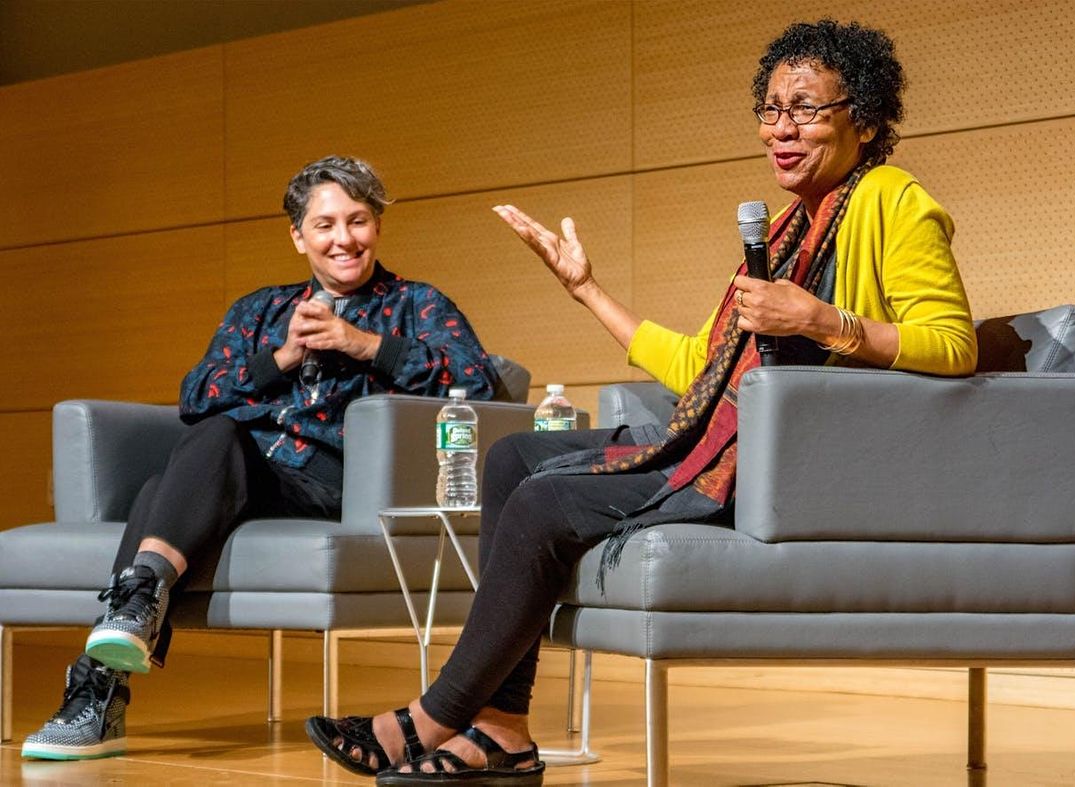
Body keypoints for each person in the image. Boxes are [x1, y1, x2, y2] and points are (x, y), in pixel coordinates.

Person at [305, 19, 976, 786]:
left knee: (543, 503)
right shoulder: (793, 226)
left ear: (864, 116)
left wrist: (824, 321)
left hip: (800, 466)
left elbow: (954, 346)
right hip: (742, 441)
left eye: (806, 109)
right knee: (513, 455)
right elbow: (704, 366)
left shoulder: (893, 199)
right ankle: (502, 728)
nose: (780, 130)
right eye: (769, 109)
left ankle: (432, 716)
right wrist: (586, 289)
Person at [21, 155, 499, 761]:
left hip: (339, 482)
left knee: (159, 489)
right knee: (208, 441)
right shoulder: (261, 311)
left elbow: (481, 386)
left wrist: (367, 345)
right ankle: (133, 615)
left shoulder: (416, 305)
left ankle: (100, 684)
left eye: (357, 221)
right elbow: (195, 397)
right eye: (325, 225)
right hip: (251, 470)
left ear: (377, 225)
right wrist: (281, 359)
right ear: (298, 235)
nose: (344, 239)